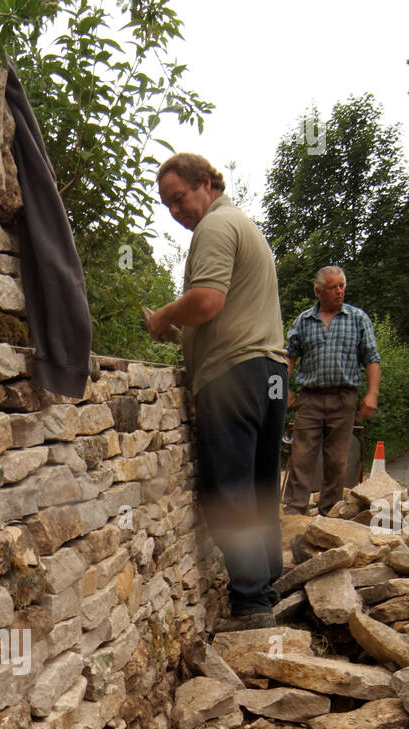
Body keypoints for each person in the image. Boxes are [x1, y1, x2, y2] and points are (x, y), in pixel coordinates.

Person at [147, 153, 288, 631]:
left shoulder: (215, 226)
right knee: (259, 486)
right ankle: (268, 585)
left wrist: (163, 317)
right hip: (269, 373)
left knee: (228, 490)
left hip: (233, 376)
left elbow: (207, 301)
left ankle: (250, 607)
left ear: (206, 182)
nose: (176, 211)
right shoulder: (243, 225)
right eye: (167, 205)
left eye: (179, 198)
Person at [283, 267, 380, 515]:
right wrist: (283, 388)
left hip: (343, 397)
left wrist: (372, 394)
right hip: (310, 397)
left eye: (341, 286)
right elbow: (289, 357)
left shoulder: (358, 319)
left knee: (337, 460)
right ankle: (295, 510)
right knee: (301, 455)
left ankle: (329, 511)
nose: (339, 291)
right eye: (333, 287)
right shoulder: (304, 321)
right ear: (318, 291)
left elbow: (371, 358)